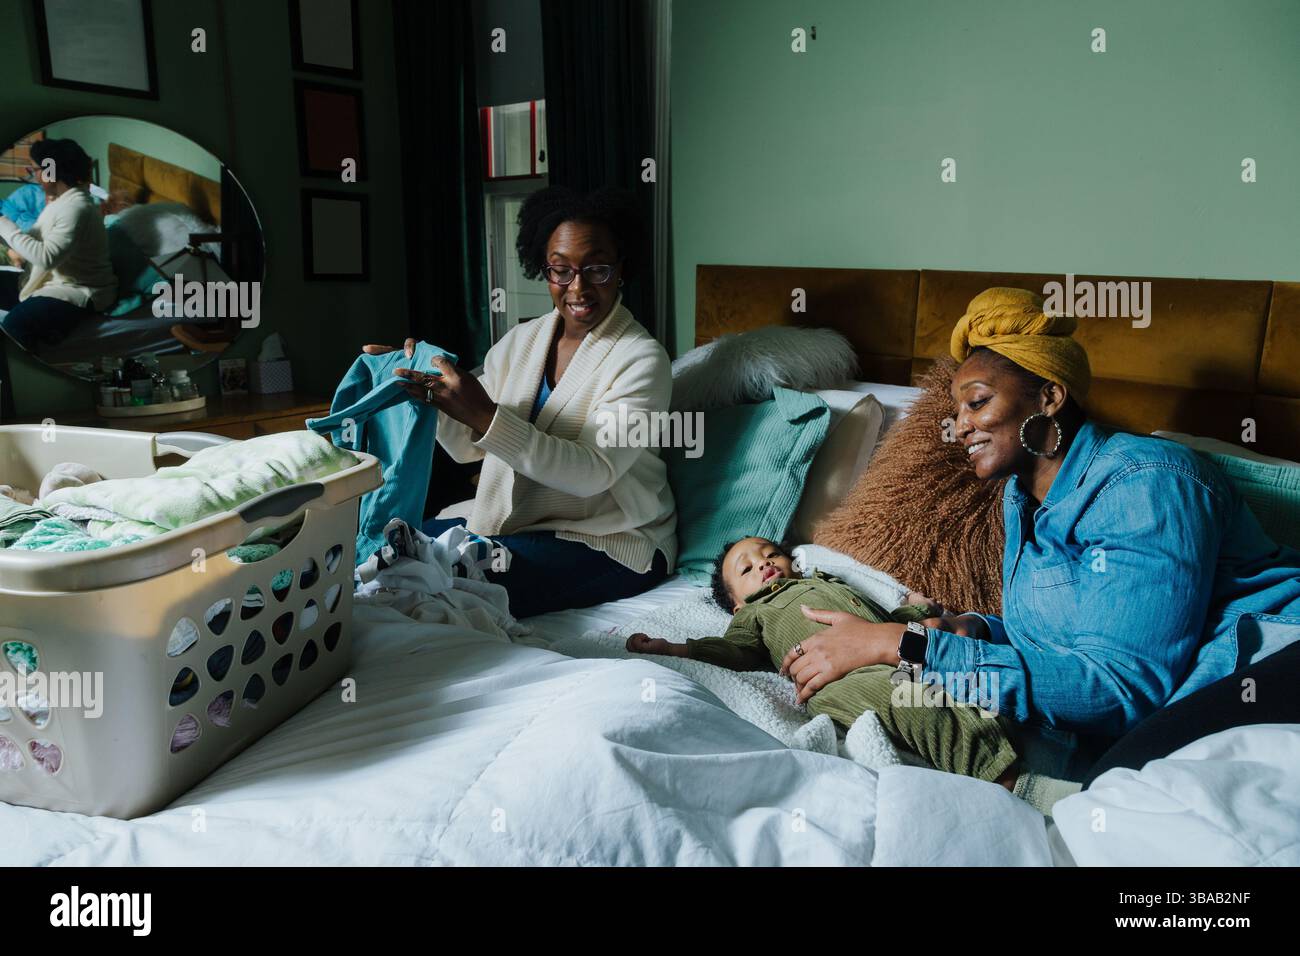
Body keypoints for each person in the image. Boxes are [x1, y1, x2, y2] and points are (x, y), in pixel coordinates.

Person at [780, 287, 1300, 774]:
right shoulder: (1020, 496)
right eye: (957, 409)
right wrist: (979, 630)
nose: (960, 425)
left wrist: (906, 645)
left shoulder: (1147, 481)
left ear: (1050, 397)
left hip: (1270, 668)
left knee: (1104, 798)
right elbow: (1068, 640)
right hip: (1169, 702)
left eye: (978, 402)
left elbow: (1123, 689)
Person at [365, 186, 676, 618]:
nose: (578, 287)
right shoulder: (521, 342)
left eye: (597, 269)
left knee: (442, 583)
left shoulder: (641, 359)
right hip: (517, 523)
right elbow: (468, 447)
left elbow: (594, 472)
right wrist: (421, 391)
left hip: (610, 537)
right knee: (382, 553)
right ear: (543, 269)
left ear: (622, 268)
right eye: (560, 270)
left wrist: (485, 414)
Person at [625, 537, 1051, 799]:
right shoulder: (756, 614)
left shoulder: (828, 583)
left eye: (771, 554)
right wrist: (675, 648)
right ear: (737, 602)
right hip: (831, 679)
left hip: (882, 649)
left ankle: (1027, 748)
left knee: (952, 682)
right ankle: (1009, 783)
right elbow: (731, 651)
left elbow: (883, 622)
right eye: (749, 569)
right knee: (906, 700)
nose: (764, 564)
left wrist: (915, 609)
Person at [0, 138, 117, 353]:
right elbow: (36, 237)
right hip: (49, 281)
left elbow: (46, 257)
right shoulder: (61, 201)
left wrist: (3, 224)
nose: (33, 175)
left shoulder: (77, 207)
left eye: (34, 169)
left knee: (13, 326)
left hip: (78, 291)